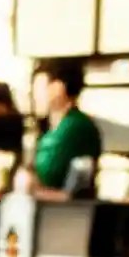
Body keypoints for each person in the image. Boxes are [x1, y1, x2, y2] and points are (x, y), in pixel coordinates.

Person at [30, 59, 102, 196]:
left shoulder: (74, 127)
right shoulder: (60, 127)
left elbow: (50, 178)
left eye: (39, 88)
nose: (35, 96)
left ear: (58, 88)